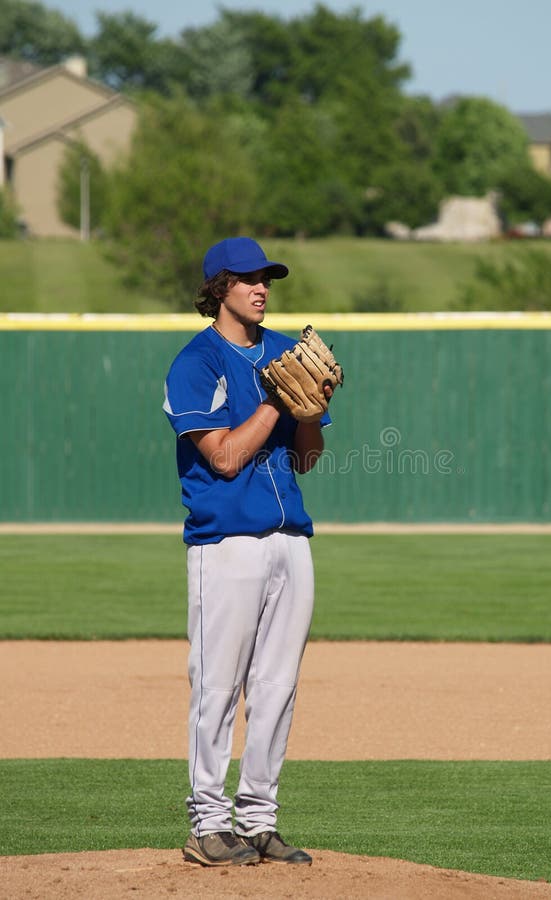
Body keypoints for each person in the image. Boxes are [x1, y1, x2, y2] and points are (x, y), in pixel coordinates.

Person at [163, 236, 333, 867]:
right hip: (225, 544)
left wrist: (310, 413)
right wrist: (274, 401)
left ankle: (259, 821)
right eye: (248, 278)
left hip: (291, 541)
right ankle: (208, 823)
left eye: (267, 277)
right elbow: (227, 458)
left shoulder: (287, 351)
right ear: (218, 288)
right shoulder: (196, 362)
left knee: (277, 686)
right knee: (216, 686)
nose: (261, 287)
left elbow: (307, 458)